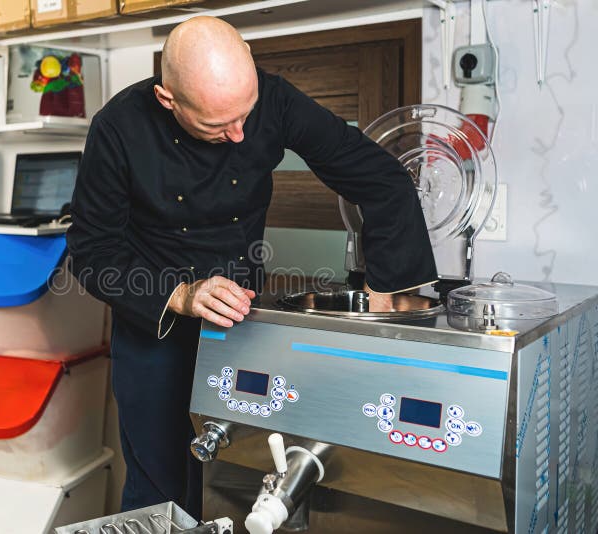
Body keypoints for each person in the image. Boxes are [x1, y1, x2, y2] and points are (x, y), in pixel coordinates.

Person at [67, 16, 437, 519]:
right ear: (168, 100)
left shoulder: (274, 98)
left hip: (242, 329)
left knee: (242, 480)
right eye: (218, 125)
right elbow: (92, 251)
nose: (240, 135)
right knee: (162, 491)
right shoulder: (118, 127)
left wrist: (387, 296)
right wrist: (181, 294)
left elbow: (381, 179)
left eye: (246, 113)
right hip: (155, 330)